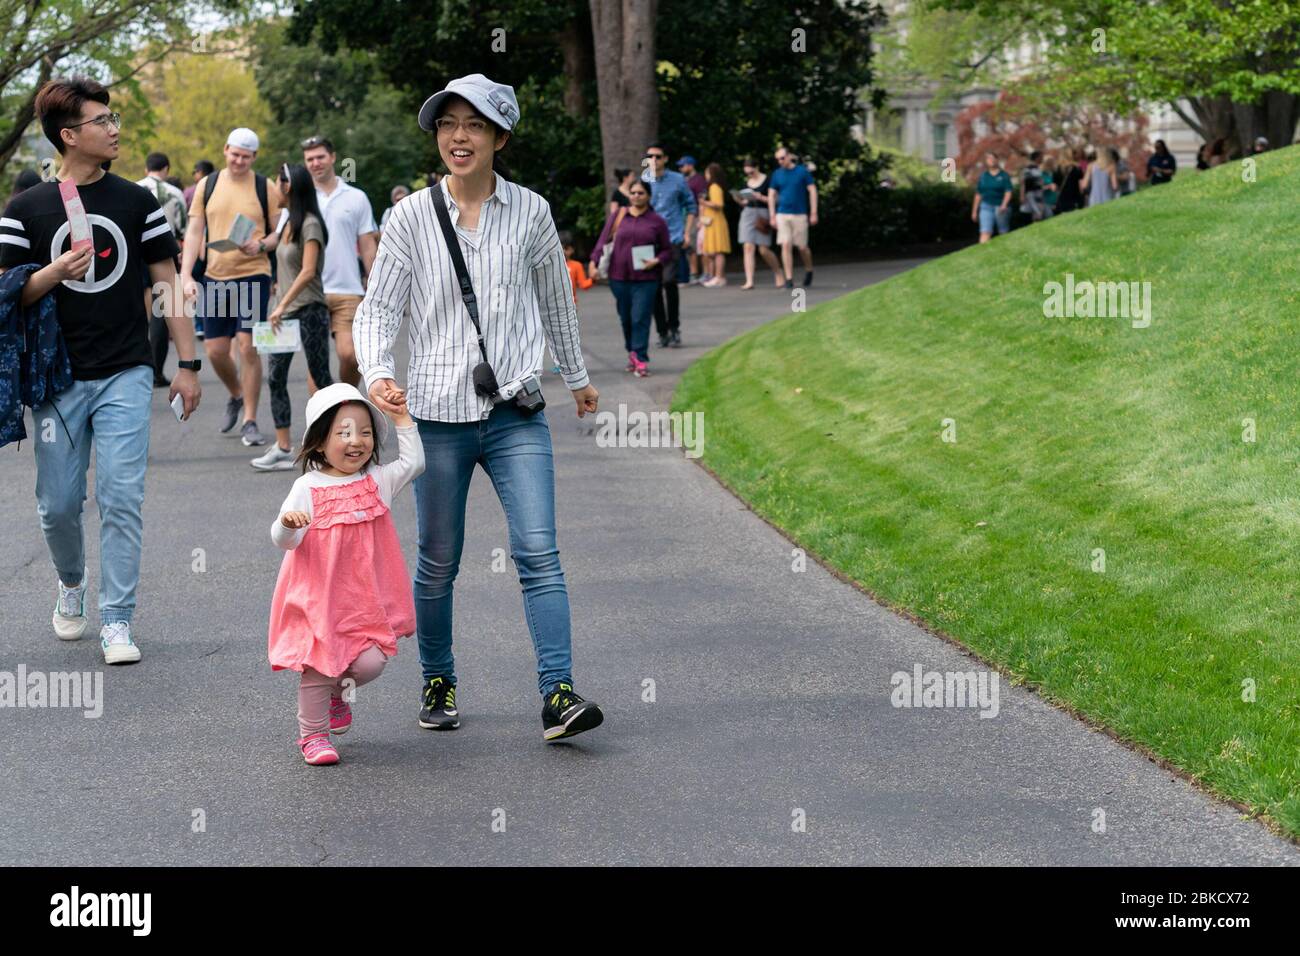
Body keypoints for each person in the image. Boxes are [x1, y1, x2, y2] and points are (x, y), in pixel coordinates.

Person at [355, 73, 605, 742]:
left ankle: (558, 694)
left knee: (537, 549)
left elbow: (556, 301)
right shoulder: (409, 217)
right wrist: (378, 373)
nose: (458, 137)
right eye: (447, 124)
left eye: (472, 125)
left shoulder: (531, 211)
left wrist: (576, 377)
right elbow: (378, 309)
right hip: (435, 414)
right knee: (438, 558)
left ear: (499, 136)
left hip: (517, 412)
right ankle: (438, 678)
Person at [0, 76, 201, 664]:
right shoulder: (25, 209)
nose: (114, 130)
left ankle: (117, 619)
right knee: (58, 503)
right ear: (69, 135)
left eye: (113, 120)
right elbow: (11, 293)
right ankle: (70, 583)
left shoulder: (138, 203)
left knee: (120, 496)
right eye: (102, 121)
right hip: (57, 378)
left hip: (125, 370)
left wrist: (187, 363)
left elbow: (168, 286)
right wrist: (54, 271)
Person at [268, 383, 424, 765]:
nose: (356, 441)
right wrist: (288, 523)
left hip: (364, 599)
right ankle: (313, 736)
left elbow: (414, 463)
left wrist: (402, 419)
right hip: (319, 598)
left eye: (365, 432)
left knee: (372, 661)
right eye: (344, 433)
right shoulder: (306, 486)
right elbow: (283, 541)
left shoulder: (376, 481)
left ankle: (339, 693)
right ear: (320, 442)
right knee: (320, 667)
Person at [181, 127, 281, 446]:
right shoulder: (207, 185)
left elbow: (280, 233)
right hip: (215, 275)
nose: (239, 161)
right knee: (215, 350)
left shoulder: (266, 187)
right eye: (235, 154)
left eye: (246, 157)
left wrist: (262, 245)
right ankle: (236, 394)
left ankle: (250, 419)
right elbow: (195, 231)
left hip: (253, 274)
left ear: (254, 157)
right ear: (225, 150)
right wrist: (185, 276)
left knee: (247, 346)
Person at [252, 163, 334, 471]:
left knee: (322, 378)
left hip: (308, 308)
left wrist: (281, 304)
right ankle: (283, 447)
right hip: (283, 311)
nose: (273, 188)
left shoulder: (310, 224)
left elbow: (309, 271)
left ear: (289, 186)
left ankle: (332, 443)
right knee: (275, 377)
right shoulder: (288, 222)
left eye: (276, 182)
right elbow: (275, 250)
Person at [302, 135, 378, 388]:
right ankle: (320, 421)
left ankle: (345, 400)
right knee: (317, 363)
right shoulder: (300, 198)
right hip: (310, 292)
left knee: (351, 355)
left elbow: (367, 244)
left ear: (333, 157)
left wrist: (376, 284)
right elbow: (285, 243)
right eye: (310, 159)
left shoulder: (356, 197)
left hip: (348, 290)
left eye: (320, 157)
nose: (315, 163)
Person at [589, 178, 671, 376]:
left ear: (648, 196)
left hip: (647, 279)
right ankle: (632, 352)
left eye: (640, 193)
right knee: (626, 318)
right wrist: (593, 261)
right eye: (633, 193)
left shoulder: (656, 221)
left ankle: (640, 358)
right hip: (619, 277)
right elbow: (603, 240)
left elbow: (668, 251)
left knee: (640, 317)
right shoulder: (619, 215)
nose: (636, 196)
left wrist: (656, 260)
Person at [136, 152, 188, 388]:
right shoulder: (175, 194)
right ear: (166, 168)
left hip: (135, 257)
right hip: (163, 254)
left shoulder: (134, 190)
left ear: (147, 167)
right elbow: (181, 230)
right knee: (161, 313)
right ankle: (156, 370)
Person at [642, 142, 695, 348]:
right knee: (653, 287)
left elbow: (691, 206)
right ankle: (662, 331)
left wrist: (687, 232)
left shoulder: (678, 180)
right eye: (650, 156)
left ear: (665, 159)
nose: (654, 160)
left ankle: (674, 328)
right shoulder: (644, 181)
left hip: (672, 237)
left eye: (658, 156)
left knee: (669, 281)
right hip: (649, 239)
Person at [768, 147, 817, 287]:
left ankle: (809, 269)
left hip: (799, 213)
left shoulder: (802, 172)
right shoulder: (777, 174)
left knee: (802, 247)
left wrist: (813, 212)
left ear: (789, 156)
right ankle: (789, 278)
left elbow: (812, 190)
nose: (780, 161)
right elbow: (771, 194)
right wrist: (772, 215)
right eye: (777, 159)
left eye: (782, 158)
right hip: (782, 213)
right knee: (785, 244)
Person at [736, 156, 783, 290]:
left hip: (763, 214)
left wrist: (760, 197)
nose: (749, 175)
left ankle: (778, 273)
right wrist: (740, 200)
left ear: (757, 168)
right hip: (748, 213)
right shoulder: (747, 182)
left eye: (751, 172)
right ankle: (749, 280)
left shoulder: (768, 180)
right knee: (748, 247)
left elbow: (775, 200)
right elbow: (746, 201)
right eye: (747, 173)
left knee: (763, 249)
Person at [699, 162, 732, 287]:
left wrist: (704, 202)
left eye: (707, 173)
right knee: (714, 250)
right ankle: (717, 276)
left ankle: (719, 277)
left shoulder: (714, 187)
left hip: (715, 221)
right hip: (713, 221)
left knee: (718, 251)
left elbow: (718, 204)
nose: (706, 175)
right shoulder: (714, 187)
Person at [676, 156, 708, 283]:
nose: (680, 168)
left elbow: (702, 200)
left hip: (694, 215)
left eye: (682, 166)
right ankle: (691, 272)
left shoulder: (698, 180)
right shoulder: (683, 180)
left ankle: (695, 273)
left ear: (690, 165)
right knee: (687, 246)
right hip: (682, 215)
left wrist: (700, 217)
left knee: (693, 246)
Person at [971, 151, 1012, 242]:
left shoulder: (1004, 175)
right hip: (986, 206)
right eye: (989, 158)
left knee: (1003, 231)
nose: (991, 160)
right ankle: (983, 253)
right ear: (986, 161)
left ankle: (1005, 251)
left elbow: (1008, 191)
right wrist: (974, 211)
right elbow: (978, 194)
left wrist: (1004, 204)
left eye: (993, 158)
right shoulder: (983, 176)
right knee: (985, 231)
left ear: (997, 160)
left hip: (1000, 207)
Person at [1019, 149, 1050, 222]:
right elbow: (1023, 183)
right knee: (1038, 213)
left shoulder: (1038, 168)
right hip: (1032, 195)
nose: (1043, 158)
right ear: (1037, 158)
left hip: (1039, 194)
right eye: (1041, 157)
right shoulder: (1028, 169)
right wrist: (1022, 195)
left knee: (1043, 213)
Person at [1054, 148, 1086, 213]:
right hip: (1075, 198)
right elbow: (1081, 185)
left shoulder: (1056, 169)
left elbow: (1055, 187)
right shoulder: (1076, 168)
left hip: (1062, 199)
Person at [563, 240, 592, 305]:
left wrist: (593, 279)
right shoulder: (550, 265)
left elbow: (583, 284)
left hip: (570, 303)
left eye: (566, 249)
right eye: (562, 248)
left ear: (572, 250)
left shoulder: (576, 265)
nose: (564, 251)